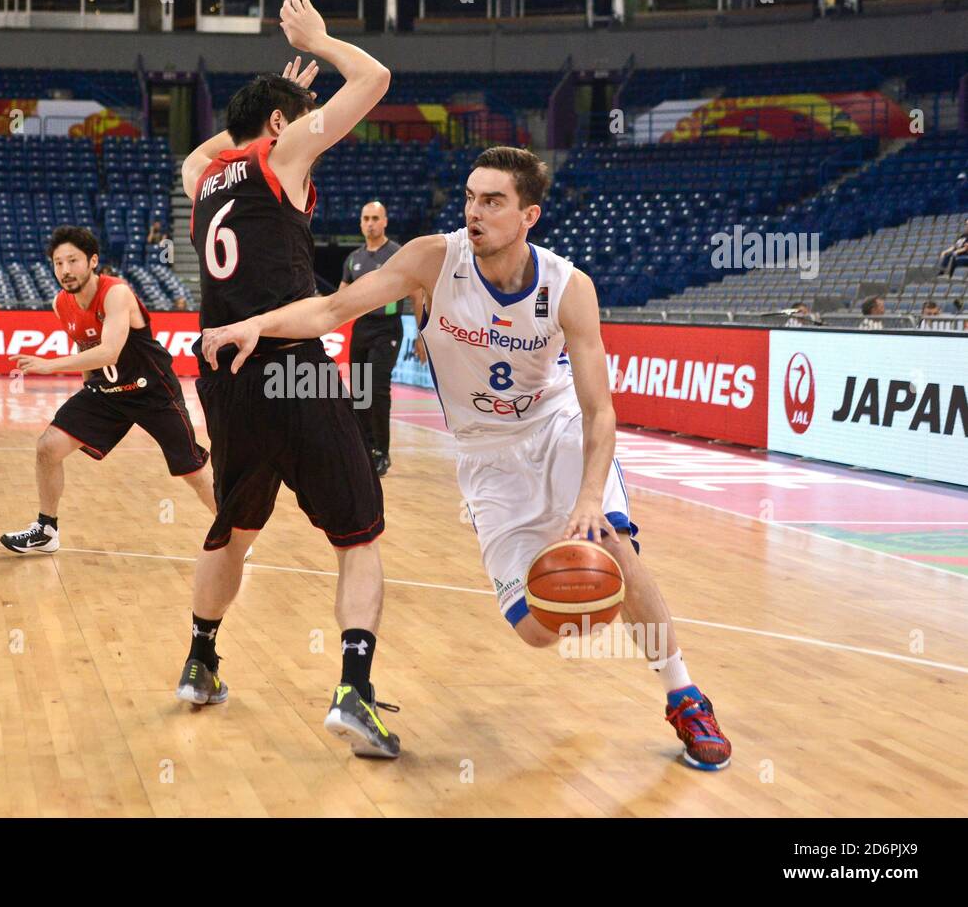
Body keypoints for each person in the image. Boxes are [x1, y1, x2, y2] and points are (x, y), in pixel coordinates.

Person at [202, 146, 734, 772]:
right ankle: (599, 598)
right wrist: (255, 326)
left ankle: (684, 695)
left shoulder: (569, 287)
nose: (474, 212)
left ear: (528, 214)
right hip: (485, 455)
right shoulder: (435, 258)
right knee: (536, 629)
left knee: (612, 541)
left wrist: (590, 498)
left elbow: (599, 413)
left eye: (492, 201)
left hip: (555, 424)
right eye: (469, 198)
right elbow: (331, 309)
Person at [181, 0, 400, 757]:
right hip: (290, 367)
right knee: (359, 535)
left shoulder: (204, 182)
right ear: (279, 128)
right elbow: (374, 79)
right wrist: (325, 41)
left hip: (223, 376)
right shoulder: (283, 154)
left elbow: (197, 156)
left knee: (233, 527)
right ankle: (354, 690)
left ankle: (200, 661)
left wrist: (258, 111)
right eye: (299, 114)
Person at [0, 226, 215, 553]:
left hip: (152, 391)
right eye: (58, 263)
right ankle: (46, 529)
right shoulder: (62, 303)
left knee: (191, 468)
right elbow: (86, 347)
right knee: (48, 447)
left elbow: (109, 351)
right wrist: (88, 391)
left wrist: (49, 365)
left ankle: (230, 530)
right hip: (107, 392)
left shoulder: (116, 293)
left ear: (93, 261)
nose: (65, 270)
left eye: (73, 260)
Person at [341, 200, 404, 476]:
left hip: (388, 328)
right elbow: (341, 297)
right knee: (361, 391)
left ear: (385, 221)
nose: (370, 223)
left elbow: (415, 291)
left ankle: (382, 451)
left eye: (375, 218)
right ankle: (365, 448)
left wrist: (422, 333)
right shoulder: (353, 258)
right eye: (365, 218)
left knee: (378, 387)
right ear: (360, 223)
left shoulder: (397, 254)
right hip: (361, 327)